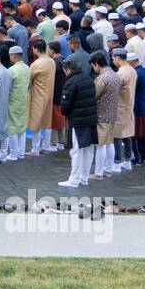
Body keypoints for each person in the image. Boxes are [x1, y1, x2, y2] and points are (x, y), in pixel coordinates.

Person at [57, 56, 98, 189]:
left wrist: (66, 113)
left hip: (78, 121)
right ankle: (84, 178)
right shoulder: (89, 79)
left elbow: (65, 106)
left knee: (76, 151)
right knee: (88, 149)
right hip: (91, 119)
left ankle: (74, 180)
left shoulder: (70, 82)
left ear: (66, 69)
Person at [88, 51, 119, 177]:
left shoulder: (101, 78)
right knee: (109, 142)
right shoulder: (114, 75)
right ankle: (108, 170)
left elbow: (94, 95)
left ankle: (99, 172)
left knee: (100, 144)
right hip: (112, 113)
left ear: (96, 64)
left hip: (101, 114)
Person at [26, 38, 55, 155]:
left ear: (36, 49)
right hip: (49, 95)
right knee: (47, 123)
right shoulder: (51, 61)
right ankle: (46, 146)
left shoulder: (36, 64)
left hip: (38, 96)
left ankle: (35, 149)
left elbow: (28, 79)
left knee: (36, 123)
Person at [4, 46, 30, 163]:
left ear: (13, 56)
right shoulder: (27, 68)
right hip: (23, 100)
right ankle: (21, 152)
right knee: (22, 126)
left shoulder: (12, 70)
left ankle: (14, 153)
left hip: (13, 101)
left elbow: (7, 88)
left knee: (12, 127)